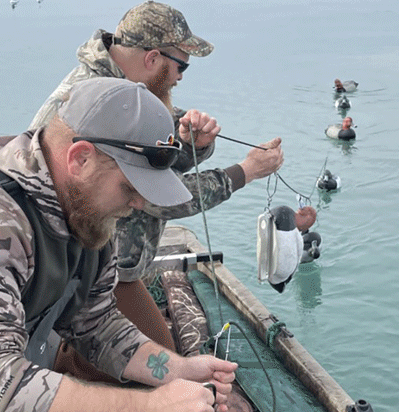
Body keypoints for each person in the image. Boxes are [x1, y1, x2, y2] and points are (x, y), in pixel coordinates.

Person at [0, 77, 237, 412]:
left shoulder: (86, 216)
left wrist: (174, 370)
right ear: (80, 158)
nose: (138, 204)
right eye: (130, 187)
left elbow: (94, 322)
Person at [29, 2, 283, 361]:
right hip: (89, 269)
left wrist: (192, 143)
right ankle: (66, 376)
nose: (181, 76)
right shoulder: (101, 102)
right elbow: (153, 196)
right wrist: (246, 171)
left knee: (142, 357)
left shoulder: (128, 90)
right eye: (181, 65)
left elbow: (154, 162)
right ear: (151, 59)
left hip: (108, 264)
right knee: (161, 362)